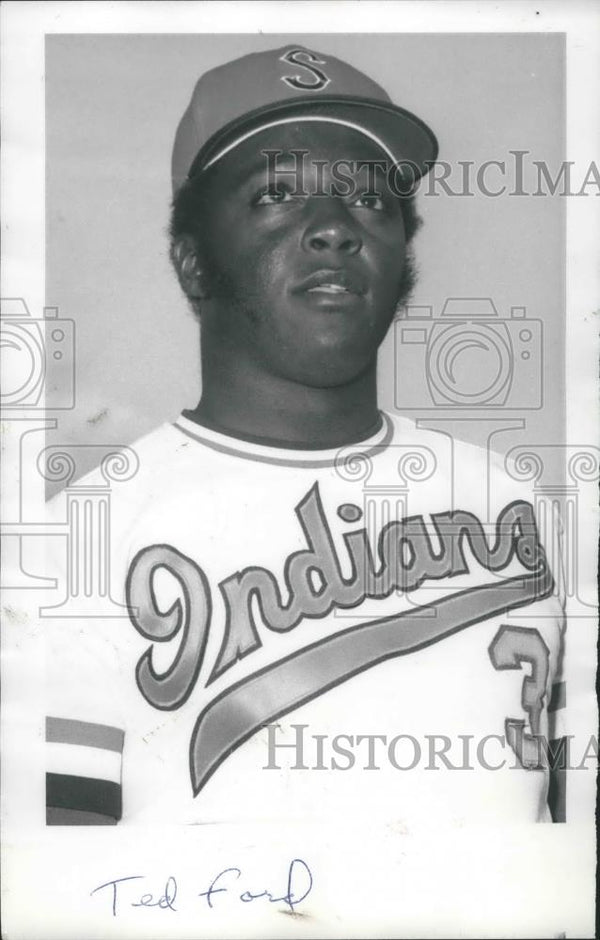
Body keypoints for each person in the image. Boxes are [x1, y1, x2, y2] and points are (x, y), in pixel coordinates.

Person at [45, 45, 565, 826]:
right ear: (192, 261)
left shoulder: (524, 507)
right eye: (277, 195)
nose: (333, 228)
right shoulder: (77, 541)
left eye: (370, 202)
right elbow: (62, 870)